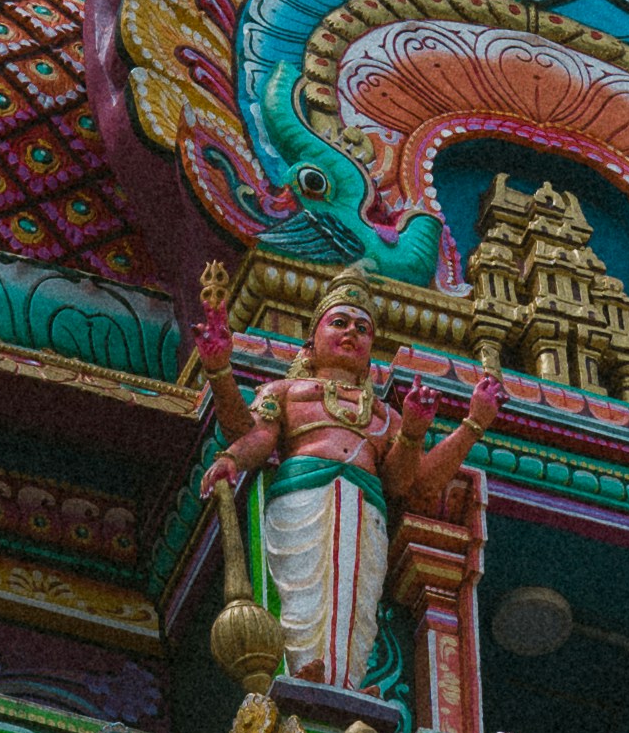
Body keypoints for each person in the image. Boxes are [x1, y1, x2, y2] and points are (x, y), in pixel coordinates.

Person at [204, 273, 490, 695]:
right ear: (312, 338)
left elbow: (412, 483)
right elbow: (256, 435)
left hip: (364, 507)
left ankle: (346, 682)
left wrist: (463, 425)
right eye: (338, 323)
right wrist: (219, 375)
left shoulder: (384, 414)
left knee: (356, 598)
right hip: (302, 499)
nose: (351, 333)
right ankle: (299, 669)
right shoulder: (285, 391)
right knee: (302, 590)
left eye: (362, 328)